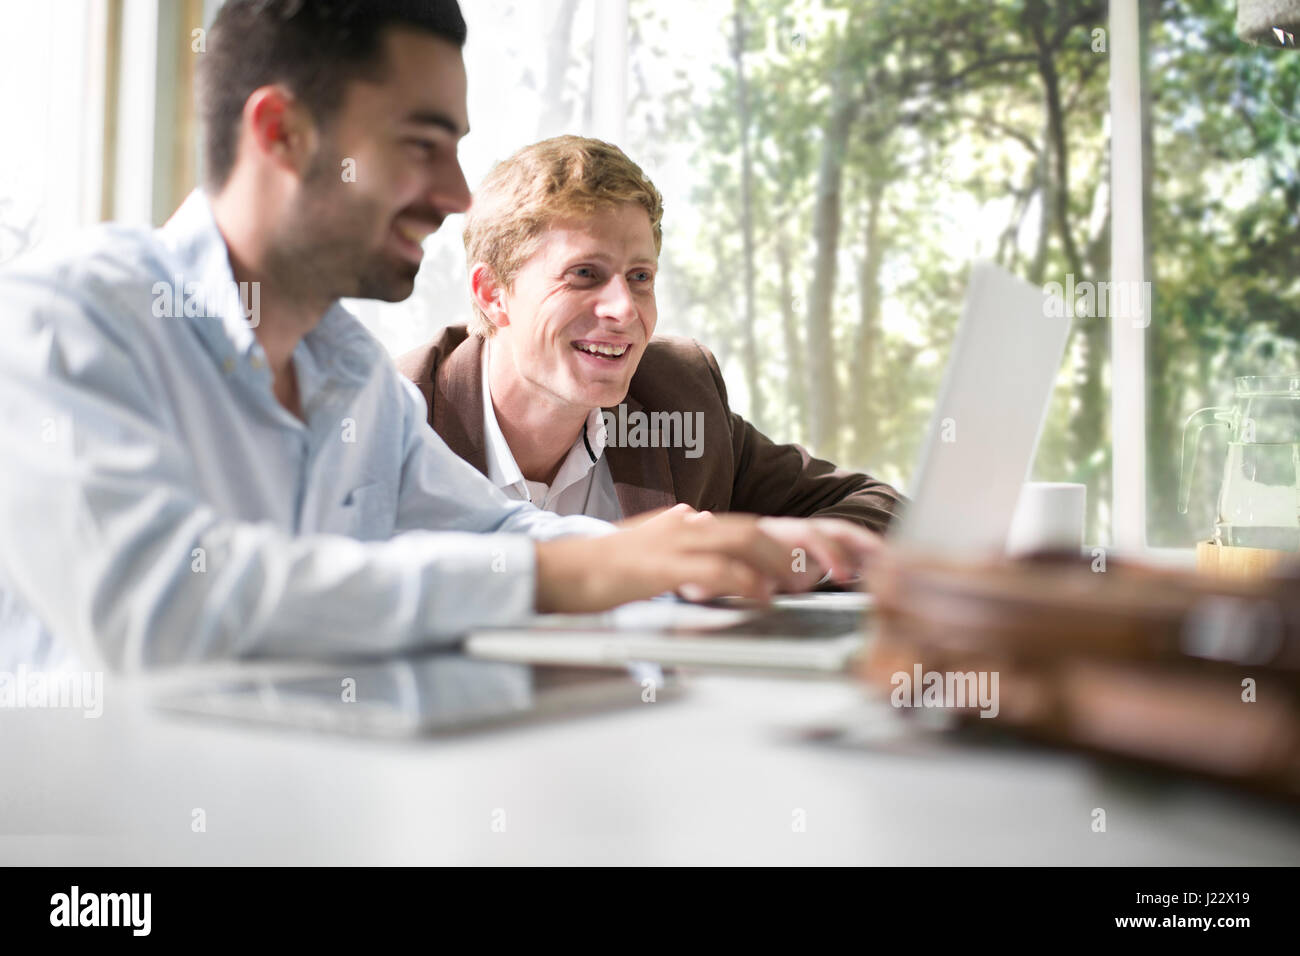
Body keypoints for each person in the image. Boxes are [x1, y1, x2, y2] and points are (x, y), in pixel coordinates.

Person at [0, 0, 877, 674]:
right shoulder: (67, 317)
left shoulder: (346, 375)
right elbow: (161, 601)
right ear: (280, 134)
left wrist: (677, 556)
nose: (458, 193)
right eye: (420, 145)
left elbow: (493, 532)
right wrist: (571, 577)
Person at [398, 135, 904, 538]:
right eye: (584, 274)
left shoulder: (677, 394)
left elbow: (881, 507)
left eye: (640, 277)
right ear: (492, 293)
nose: (624, 310)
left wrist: (788, 556)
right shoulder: (397, 417)